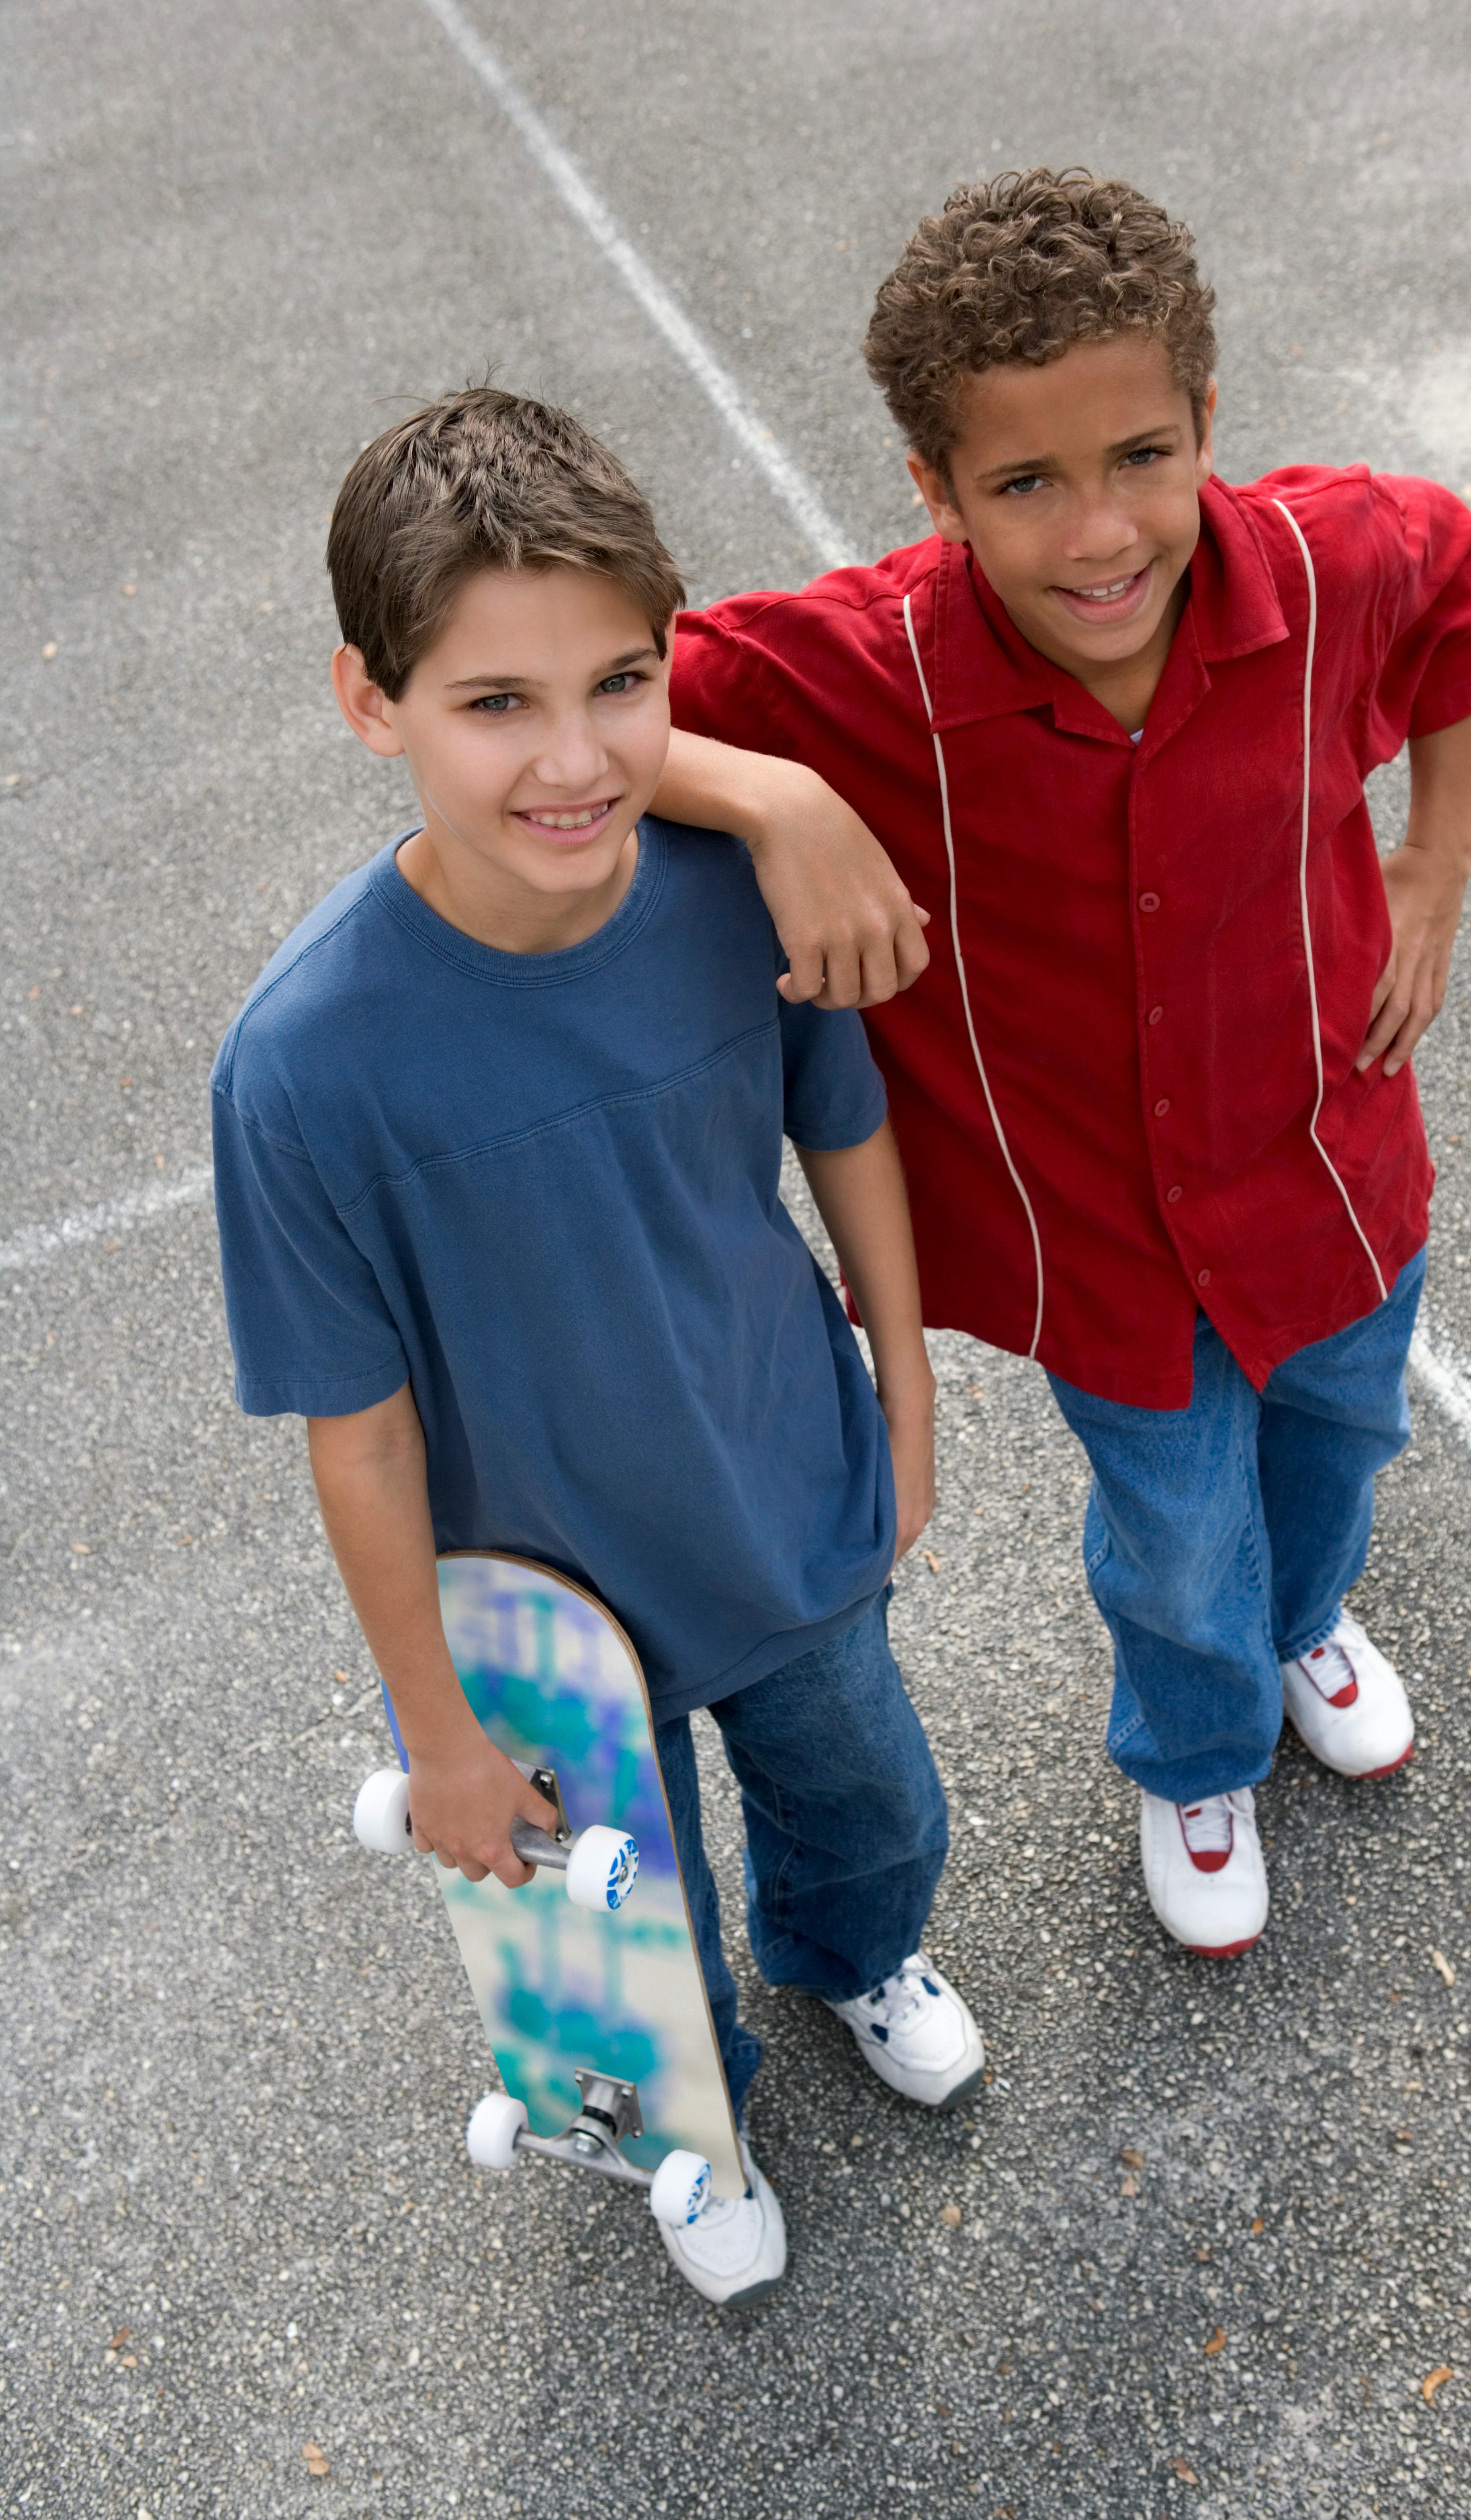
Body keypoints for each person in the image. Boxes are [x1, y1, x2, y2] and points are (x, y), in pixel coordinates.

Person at [651, 170, 1471, 1960]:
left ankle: (1303, 1626)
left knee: (1337, 1444)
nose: (1096, 531)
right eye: (1024, 485)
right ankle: (1194, 1746)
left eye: (1136, 457)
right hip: (1102, 1254)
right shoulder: (859, 671)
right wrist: (772, 791)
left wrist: (1438, 848)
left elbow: (1456, 585)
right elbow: (585, 703)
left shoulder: (1331, 557)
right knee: (1177, 1533)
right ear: (934, 491)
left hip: (1335, 1175)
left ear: (1205, 420)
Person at [209, 388, 984, 2308]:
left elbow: (845, 1129)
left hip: (780, 1499)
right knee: (619, 1939)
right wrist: (441, 1735)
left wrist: (902, 1393)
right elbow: (360, 1440)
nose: (573, 759)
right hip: (546, 1625)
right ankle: (682, 2128)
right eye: (494, 705)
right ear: (368, 702)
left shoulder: (737, 889)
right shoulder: (304, 1069)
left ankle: (849, 1955)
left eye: (619, 685)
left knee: (874, 1809)